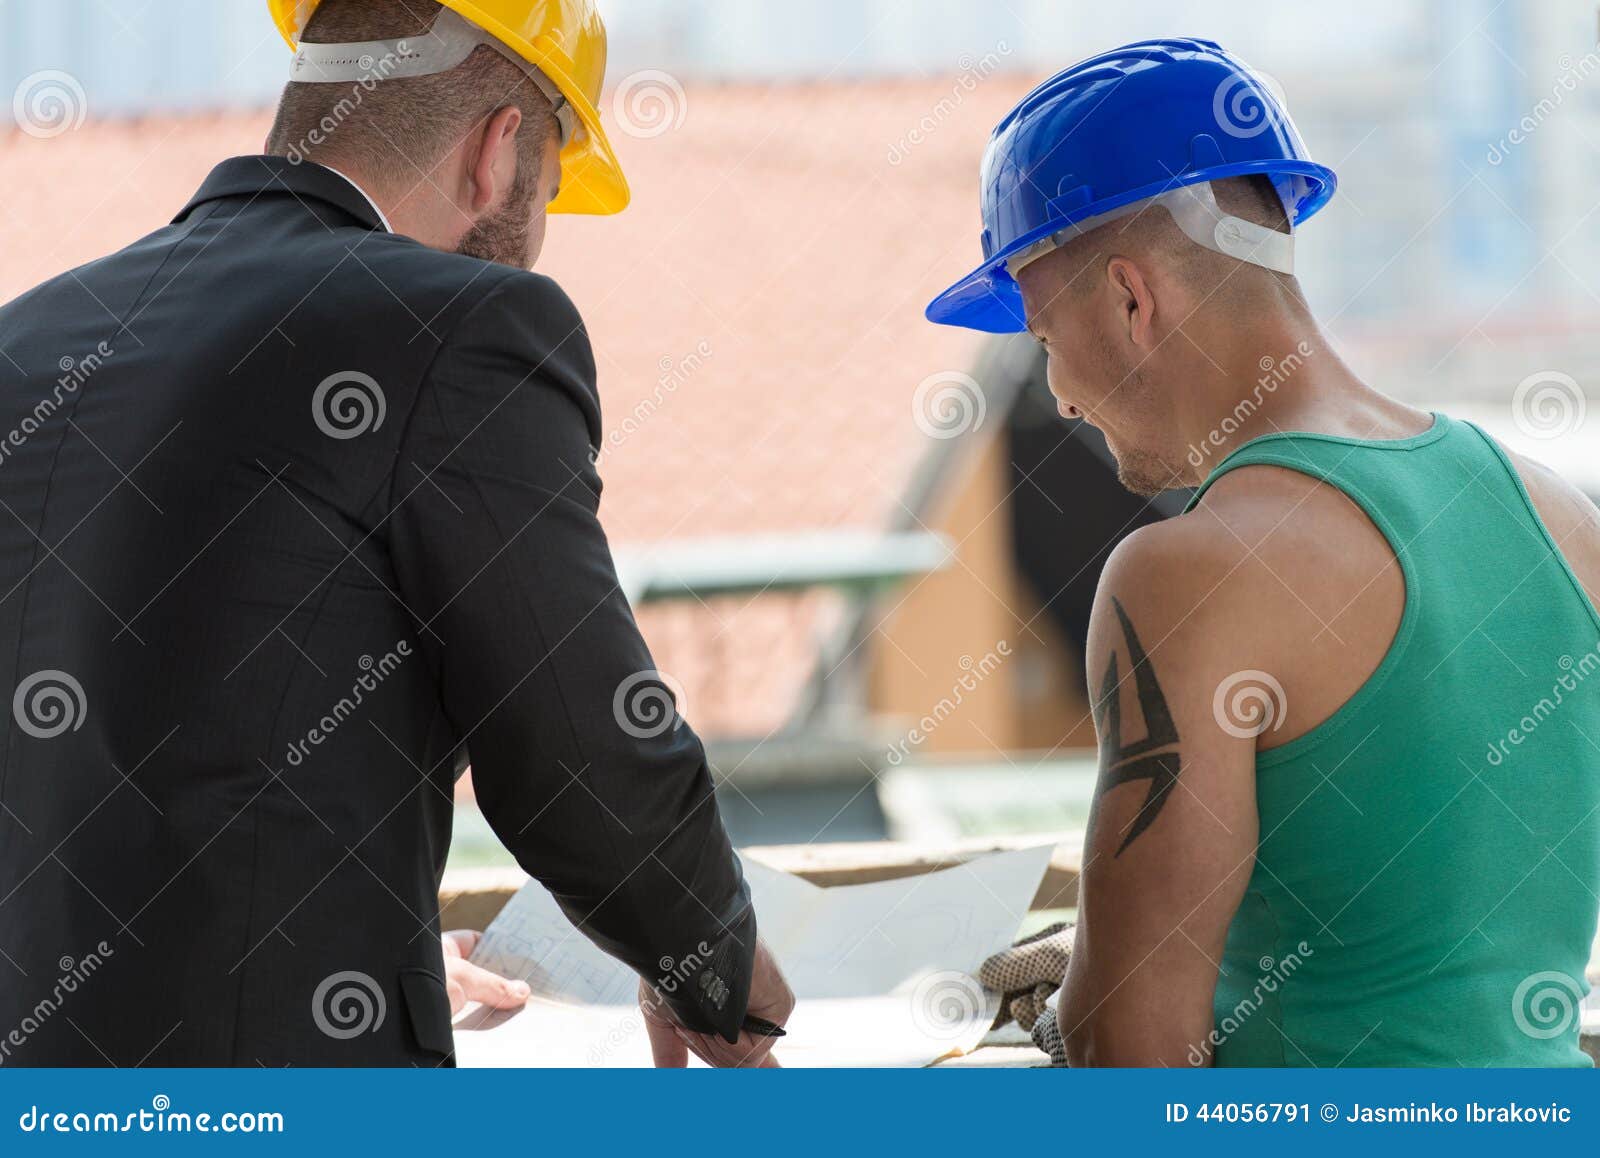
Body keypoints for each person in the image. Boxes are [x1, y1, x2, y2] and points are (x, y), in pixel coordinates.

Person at [0, 0, 790, 1066]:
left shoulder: (34, 336)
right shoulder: (456, 325)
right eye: (551, 190)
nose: (541, 231)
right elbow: (573, 736)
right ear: (499, 149)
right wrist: (710, 956)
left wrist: (375, 949)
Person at [929, 38, 1600, 1066]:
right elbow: (1407, 914)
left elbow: (1130, 1056)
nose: (1058, 395)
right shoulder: (1555, 513)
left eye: (1043, 333)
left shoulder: (1184, 574)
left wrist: (1071, 1005)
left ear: (1127, 300)